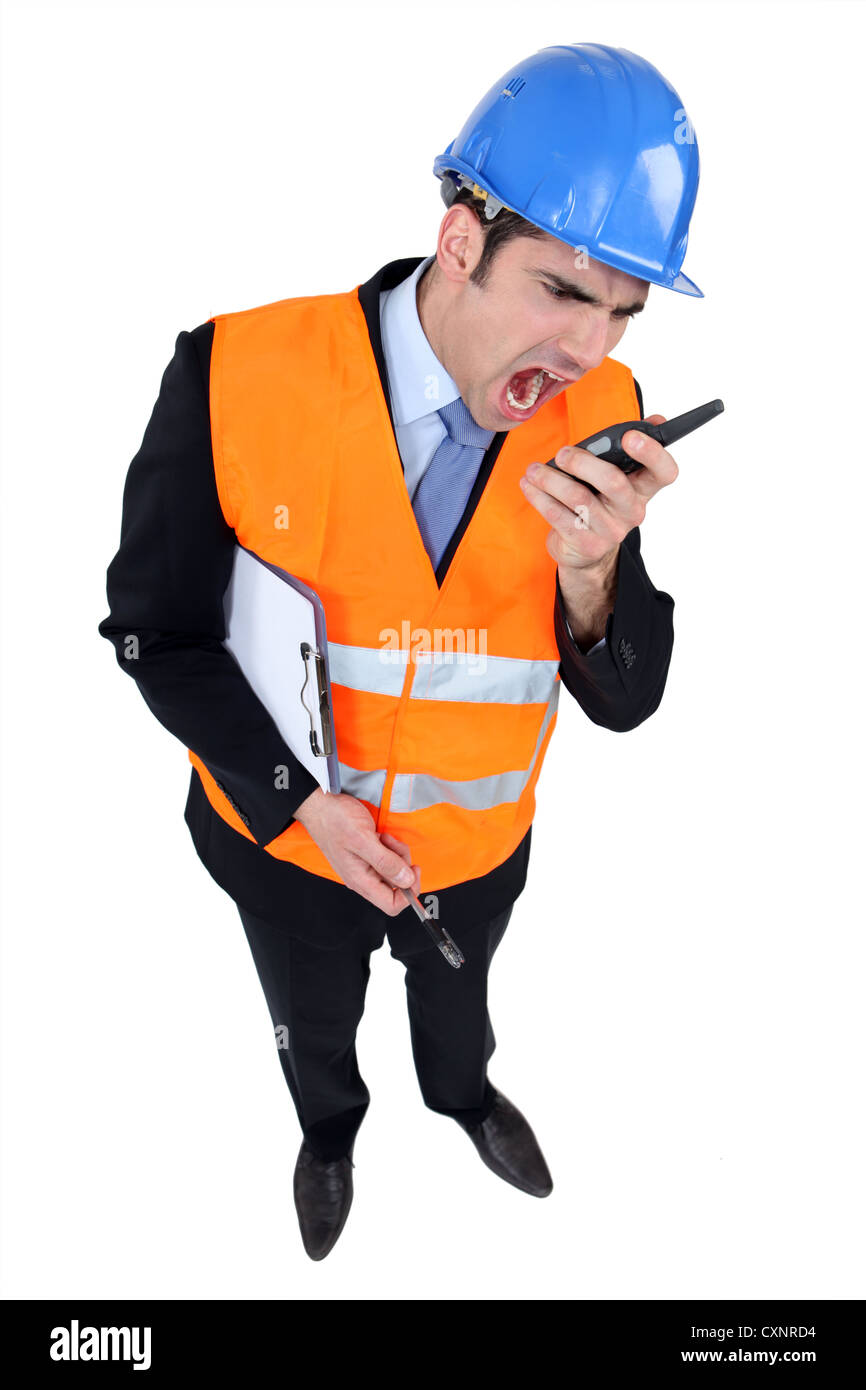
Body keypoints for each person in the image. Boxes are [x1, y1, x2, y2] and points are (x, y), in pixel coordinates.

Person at [98, 42, 701, 1261]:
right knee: (311, 1025)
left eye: (620, 310)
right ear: (461, 240)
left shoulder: (600, 412)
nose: (587, 350)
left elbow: (626, 701)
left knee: (458, 1009)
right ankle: (330, 1138)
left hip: (474, 852)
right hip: (284, 847)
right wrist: (297, 808)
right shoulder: (234, 373)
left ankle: (463, 1101)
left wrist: (594, 578)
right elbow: (151, 633)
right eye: (562, 291)